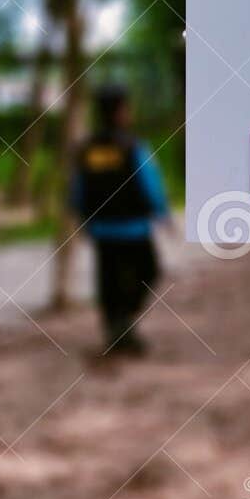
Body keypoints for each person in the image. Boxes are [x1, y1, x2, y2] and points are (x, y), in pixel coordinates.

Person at [71, 84, 170, 356]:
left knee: (108, 280)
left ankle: (116, 327)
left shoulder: (86, 148)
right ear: (120, 111)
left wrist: (82, 219)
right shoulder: (132, 146)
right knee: (148, 272)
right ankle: (124, 321)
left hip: (101, 228)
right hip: (134, 227)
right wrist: (163, 213)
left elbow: (78, 188)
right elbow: (150, 182)